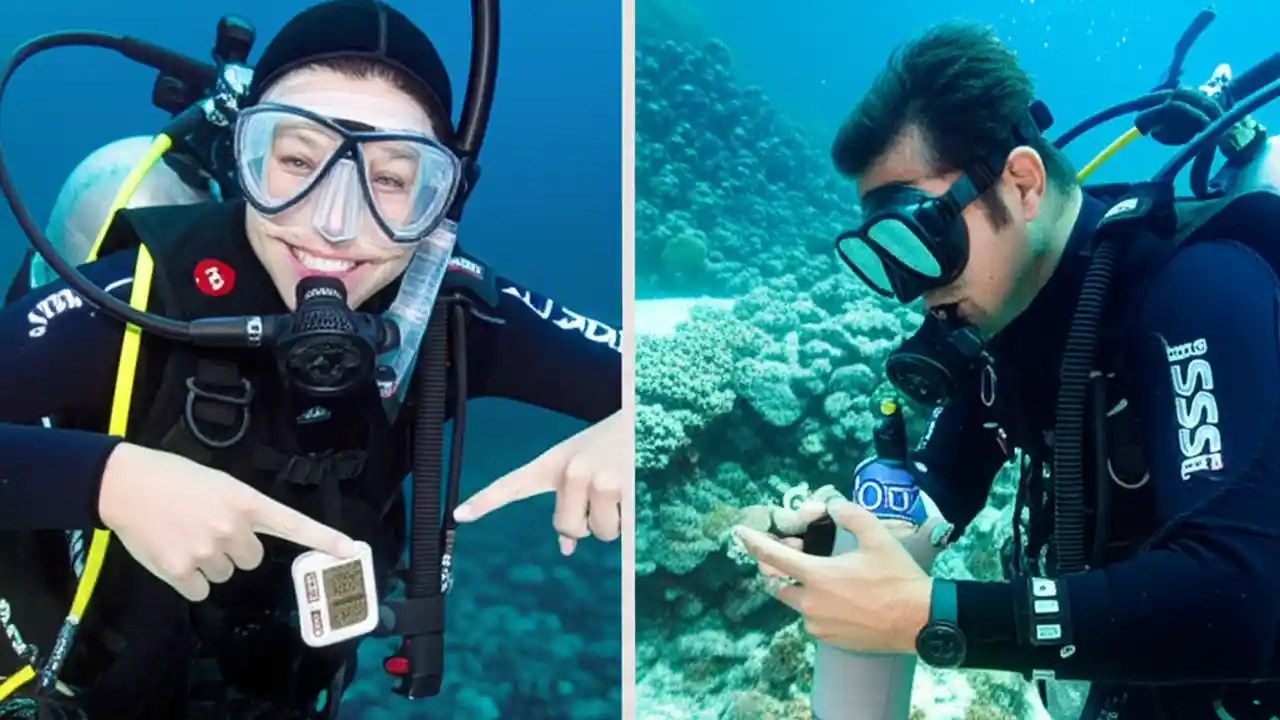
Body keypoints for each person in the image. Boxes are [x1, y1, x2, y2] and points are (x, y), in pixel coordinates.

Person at [0, 1, 623, 718]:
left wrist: (634, 425)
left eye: (391, 180)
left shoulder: (451, 312)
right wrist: (108, 480)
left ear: (441, 198)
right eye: (296, 160)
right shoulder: (144, 293)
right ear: (244, 157)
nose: (334, 222)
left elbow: (647, 372)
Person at [734, 19, 1280, 720]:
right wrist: (836, 537)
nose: (919, 292)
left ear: (1022, 182)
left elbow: (1240, 603)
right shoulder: (1006, 317)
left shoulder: (1198, 289)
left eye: (924, 240)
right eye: (886, 262)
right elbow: (945, 481)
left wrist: (929, 616)